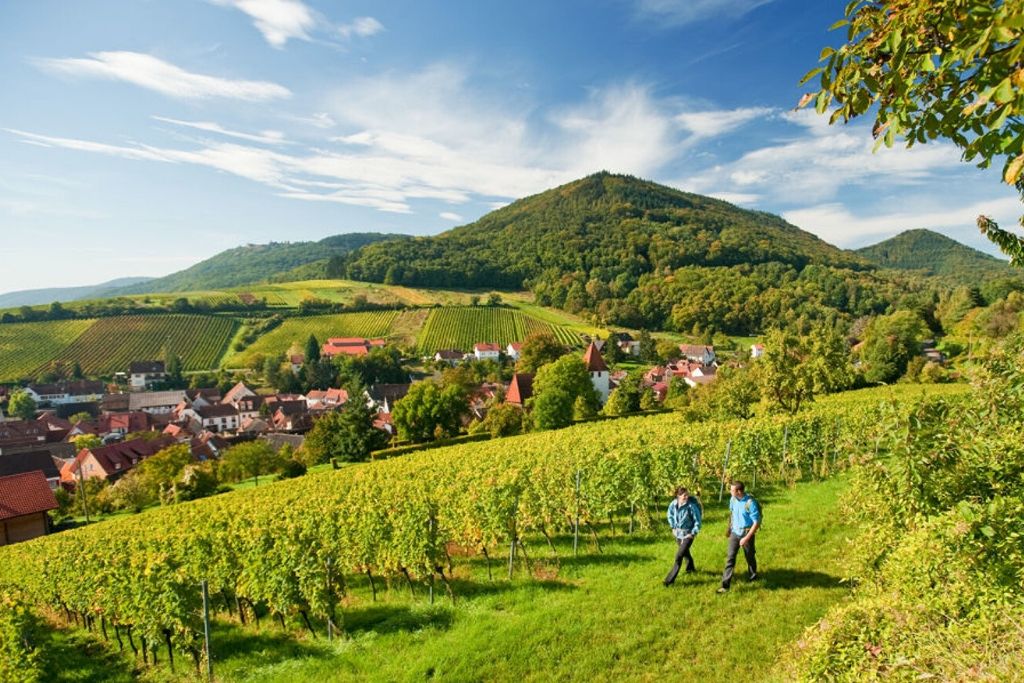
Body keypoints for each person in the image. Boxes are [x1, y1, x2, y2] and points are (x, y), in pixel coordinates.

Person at [718, 480, 761, 593]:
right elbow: (732, 514)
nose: (730, 491)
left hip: (747, 533)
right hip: (735, 533)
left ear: (739, 491)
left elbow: (756, 523)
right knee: (730, 558)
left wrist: (746, 538)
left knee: (750, 556)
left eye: (732, 490)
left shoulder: (750, 503)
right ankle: (725, 586)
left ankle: (753, 575)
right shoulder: (733, 499)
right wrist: (729, 529)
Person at [663, 486, 702, 586]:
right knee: (685, 553)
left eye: (687, 495)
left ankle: (669, 580)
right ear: (678, 496)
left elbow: (698, 521)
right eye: (684, 495)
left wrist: (693, 533)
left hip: (688, 534)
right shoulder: (673, 504)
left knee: (679, 556)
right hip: (678, 534)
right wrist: (673, 527)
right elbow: (669, 515)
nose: (687, 497)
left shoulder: (691, 506)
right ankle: (691, 569)